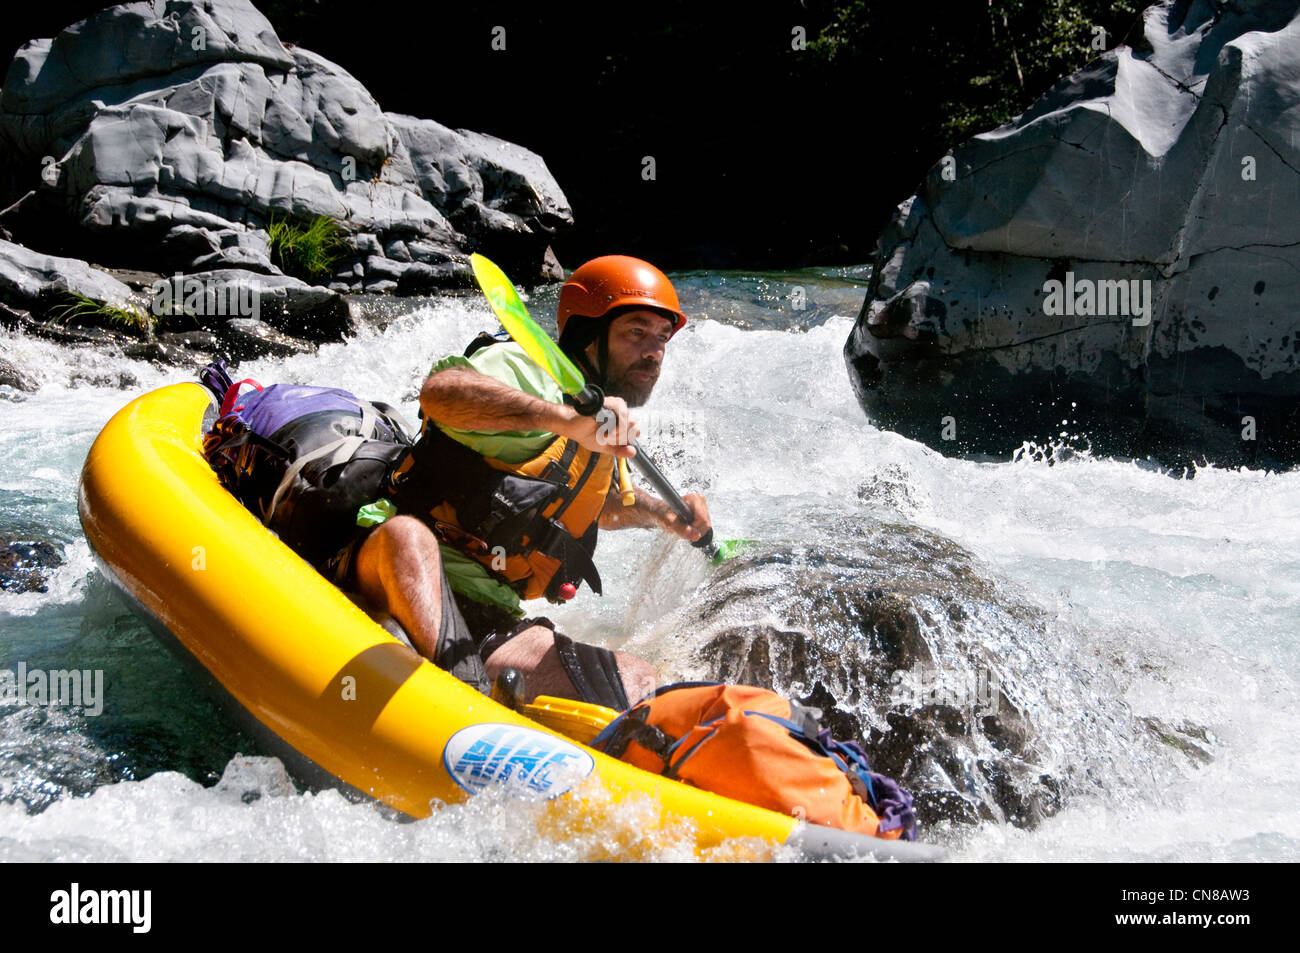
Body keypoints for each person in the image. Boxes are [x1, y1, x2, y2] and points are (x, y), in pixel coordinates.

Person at [321, 256, 712, 709]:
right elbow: (442, 393)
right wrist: (565, 420)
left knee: (633, 683)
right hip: (387, 559)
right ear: (589, 335)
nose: (653, 352)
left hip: (485, 607)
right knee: (408, 538)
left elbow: (593, 504)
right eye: (636, 332)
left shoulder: (608, 413)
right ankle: (459, 697)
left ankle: (473, 687)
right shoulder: (524, 369)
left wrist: (666, 513)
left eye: (662, 338)